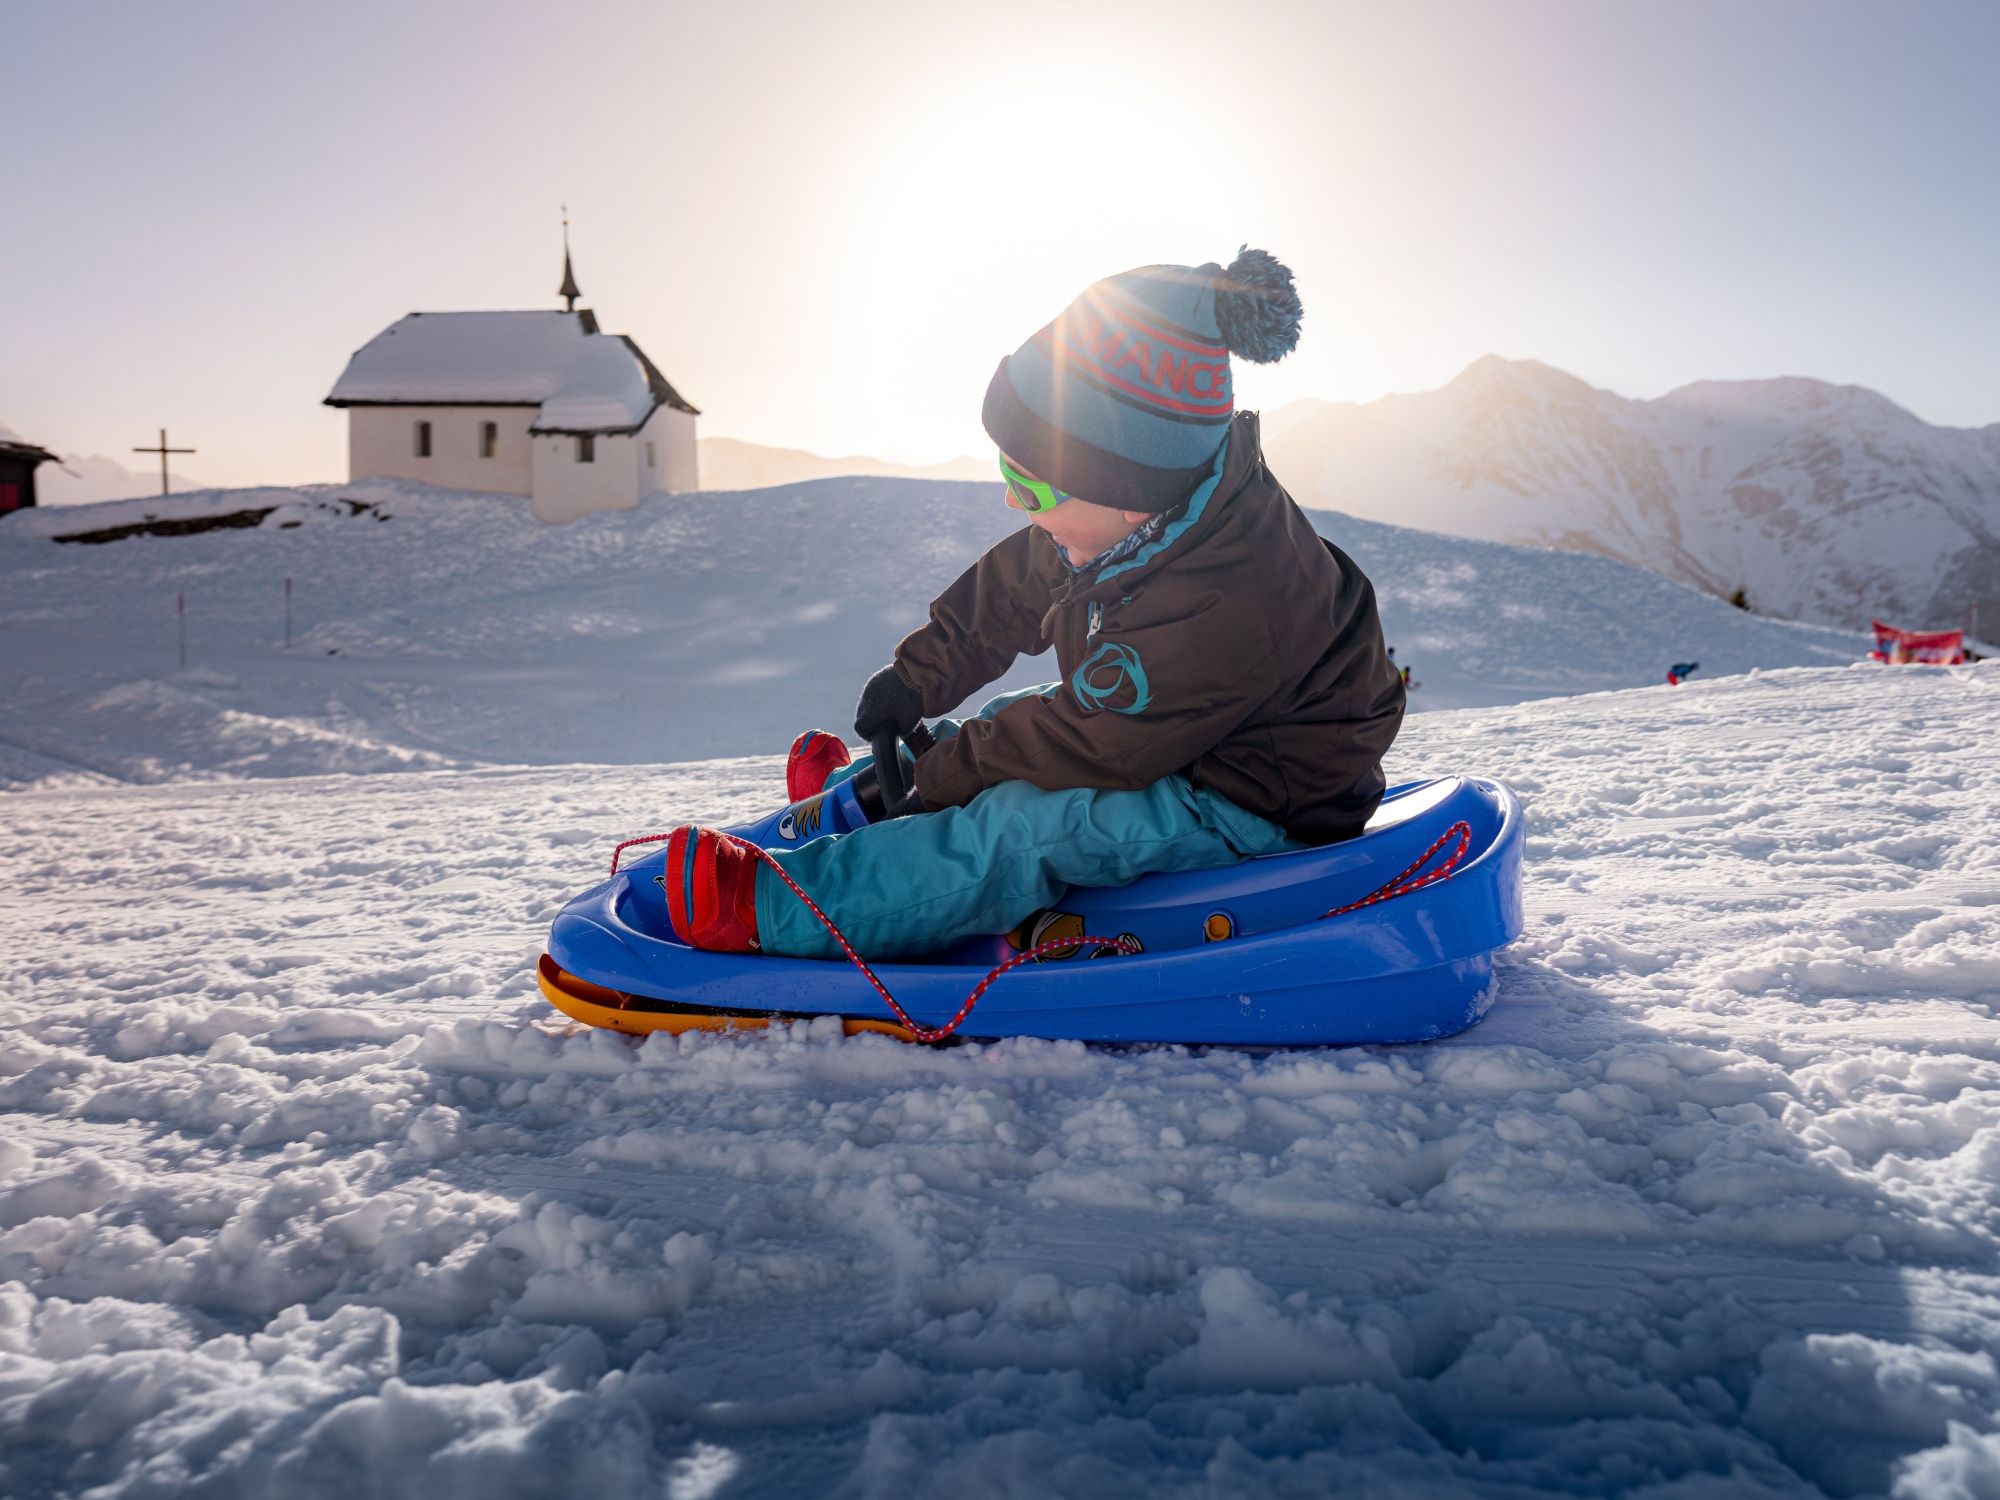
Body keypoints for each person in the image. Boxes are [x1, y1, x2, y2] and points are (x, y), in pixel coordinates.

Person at [660, 249, 1407, 960]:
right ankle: (856, 799)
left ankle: (785, 909)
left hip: (1249, 801)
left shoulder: (1228, 597)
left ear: (1128, 495)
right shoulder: (1144, 520)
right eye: (1007, 472)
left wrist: (944, 779)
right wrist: (918, 679)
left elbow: (1094, 743)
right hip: (1184, 730)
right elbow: (1022, 582)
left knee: (1018, 826)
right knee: (994, 725)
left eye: (1037, 487)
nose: (1015, 500)